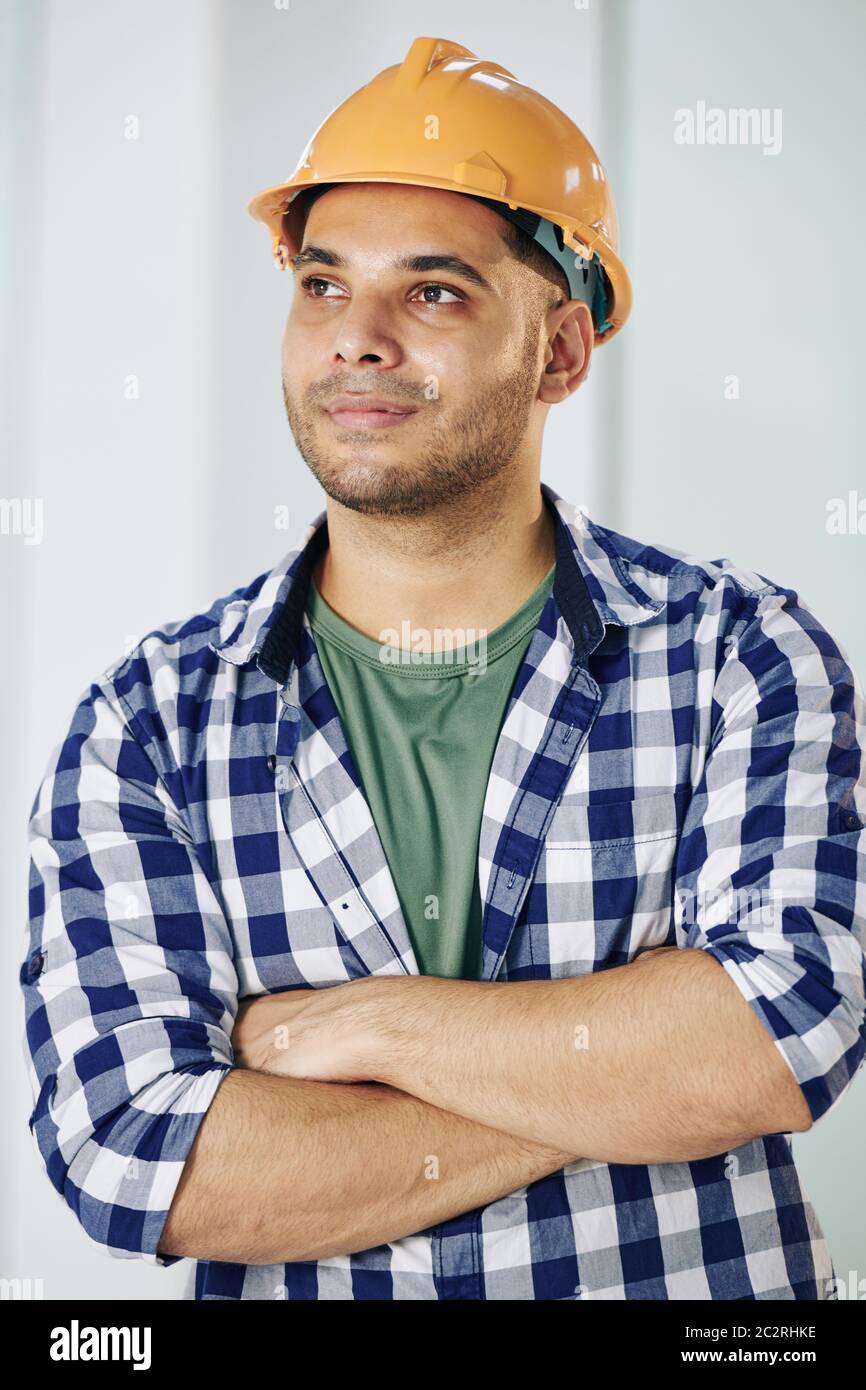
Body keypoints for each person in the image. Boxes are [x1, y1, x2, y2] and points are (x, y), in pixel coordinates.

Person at [20, 36, 866, 1301]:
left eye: (432, 293)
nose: (354, 338)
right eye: (319, 286)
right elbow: (144, 1159)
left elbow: (780, 1029)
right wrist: (637, 1071)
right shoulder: (147, 727)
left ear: (561, 352)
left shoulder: (737, 654)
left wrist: (363, 1027)